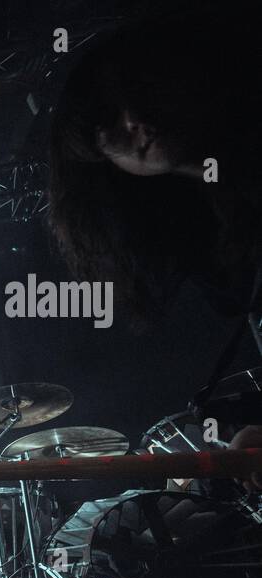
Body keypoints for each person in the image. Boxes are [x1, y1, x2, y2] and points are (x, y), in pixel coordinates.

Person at [48, 14, 262, 487]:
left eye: (141, 90)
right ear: (100, 161)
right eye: (107, 122)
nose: (134, 121)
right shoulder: (214, 235)